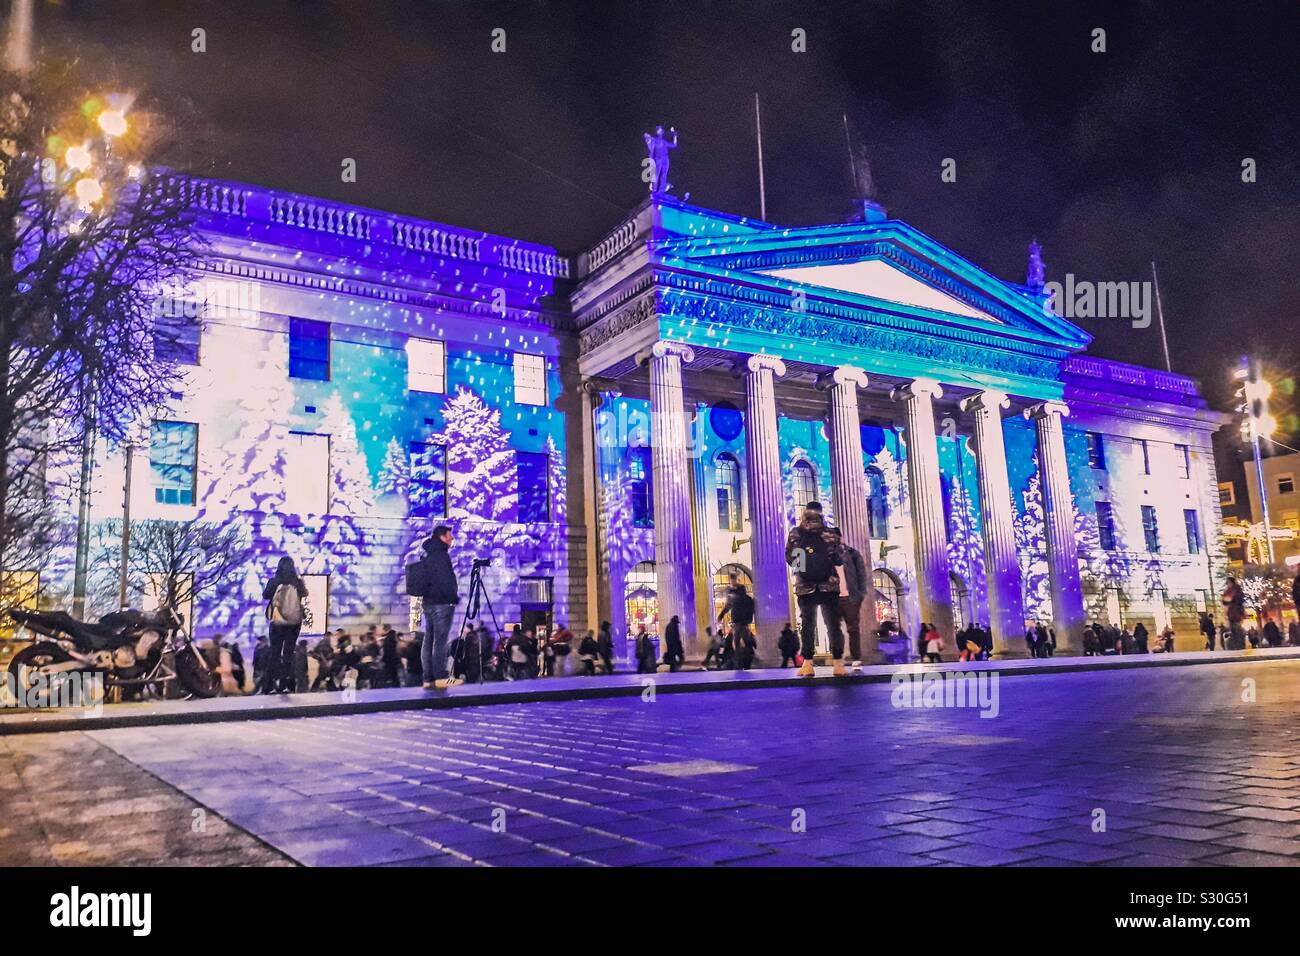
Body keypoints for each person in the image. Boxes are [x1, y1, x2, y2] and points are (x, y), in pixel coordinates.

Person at [785, 501, 848, 677]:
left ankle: (807, 664)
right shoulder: (831, 534)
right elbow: (839, 559)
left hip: (805, 586)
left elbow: (790, 558)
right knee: (833, 624)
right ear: (821, 514)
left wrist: (805, 568)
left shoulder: (796, 534)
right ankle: (838, 664)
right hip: (829, 585)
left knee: (807, 624)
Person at [412, 526, 462, 690]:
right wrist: (452, 597)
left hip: (429, 602)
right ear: (442, 537)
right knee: (440, 640)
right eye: (450, 536)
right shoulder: (441, 555)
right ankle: (441, 676)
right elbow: (444, 580)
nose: (452, 539)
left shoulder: (428, 554)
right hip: (442, 602)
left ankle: (428, 678)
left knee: (429, 639)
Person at [262, 556, 308, 694]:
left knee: (275, 652)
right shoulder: (297, 582)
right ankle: (285, 684)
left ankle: (269, 685)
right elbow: (305, 593)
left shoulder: (274, 581)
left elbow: (265, 595)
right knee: (288, 652)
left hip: (277, 622)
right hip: (294, 623)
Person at [838, 539, 870, 665]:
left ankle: (856, 657)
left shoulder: (853, 554)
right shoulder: (827, 555)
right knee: (834, 629)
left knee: (853, 629)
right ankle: (838, 657)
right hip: (833, 597)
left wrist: (861, 594)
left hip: (850, 597)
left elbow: (862, 574)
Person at [718, 581, 756, 670]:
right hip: (746, 624)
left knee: (737, 644)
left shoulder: (735, 599)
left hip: (737, 624)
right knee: (747, 643)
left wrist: (721, 616)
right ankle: (747, 662)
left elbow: (727, 607)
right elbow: (753, 610)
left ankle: (739, 663)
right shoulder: (749, 599)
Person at [1222, 577, 1246, 648]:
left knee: (1236, 630)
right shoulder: (1235, 589)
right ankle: (1238, 645)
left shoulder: (1234, 589)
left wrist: (1226, 600)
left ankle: (1238, 646)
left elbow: (1227, 599)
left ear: (1231, 582)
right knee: (1234, 630)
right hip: (1233, 613)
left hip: (1235, 613)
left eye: (1228, 582)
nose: (1227, 584)